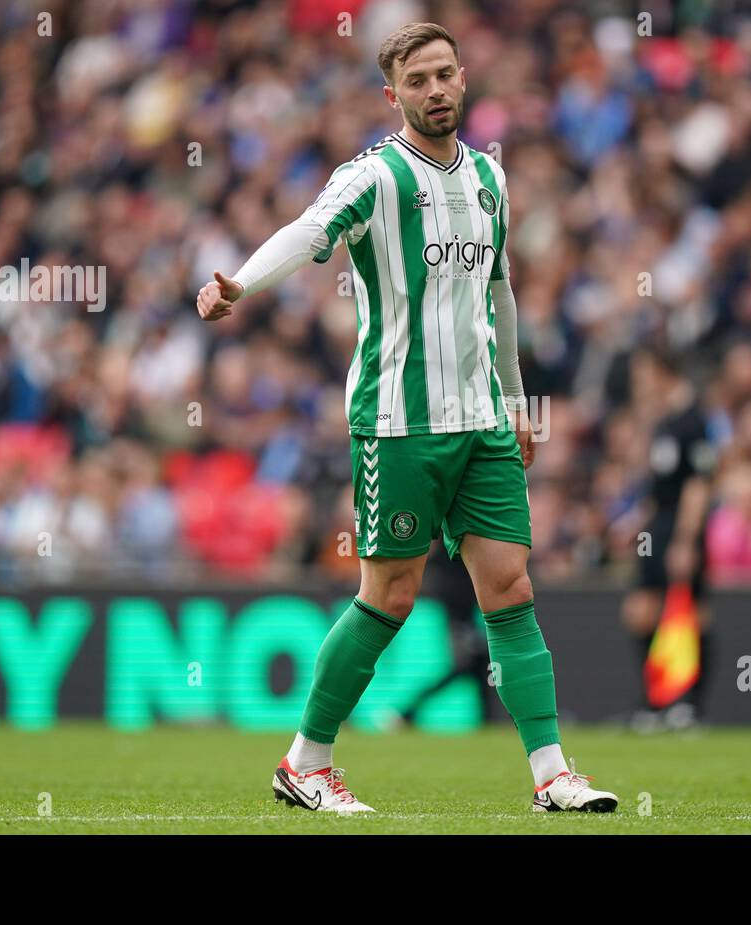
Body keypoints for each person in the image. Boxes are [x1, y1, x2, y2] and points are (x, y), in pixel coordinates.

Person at [195, 23, 616, 814]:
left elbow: (500, 295)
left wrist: (519, 399)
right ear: (394, 95)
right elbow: (309, 232)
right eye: (418, 80)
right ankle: (306, 761)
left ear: (464, 79)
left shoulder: (492, 177)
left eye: (446, 74)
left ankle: (552, 774)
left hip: (484, 420)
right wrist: (239, 285)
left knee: (511, 587)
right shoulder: (374, 177)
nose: (436, 90)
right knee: (388, 595)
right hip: (398, 423)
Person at [621, 345, 717, 731]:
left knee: (692, 613)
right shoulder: (663, 420)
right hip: (658, 524)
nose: (639, 383)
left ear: (663, 371)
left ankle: (690, 704)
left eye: (644, 373)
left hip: (681, 526)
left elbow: (698, 484)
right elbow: (655, 482)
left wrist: (686, 540)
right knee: (641, 612)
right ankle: (657, 702)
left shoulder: (694, 420)